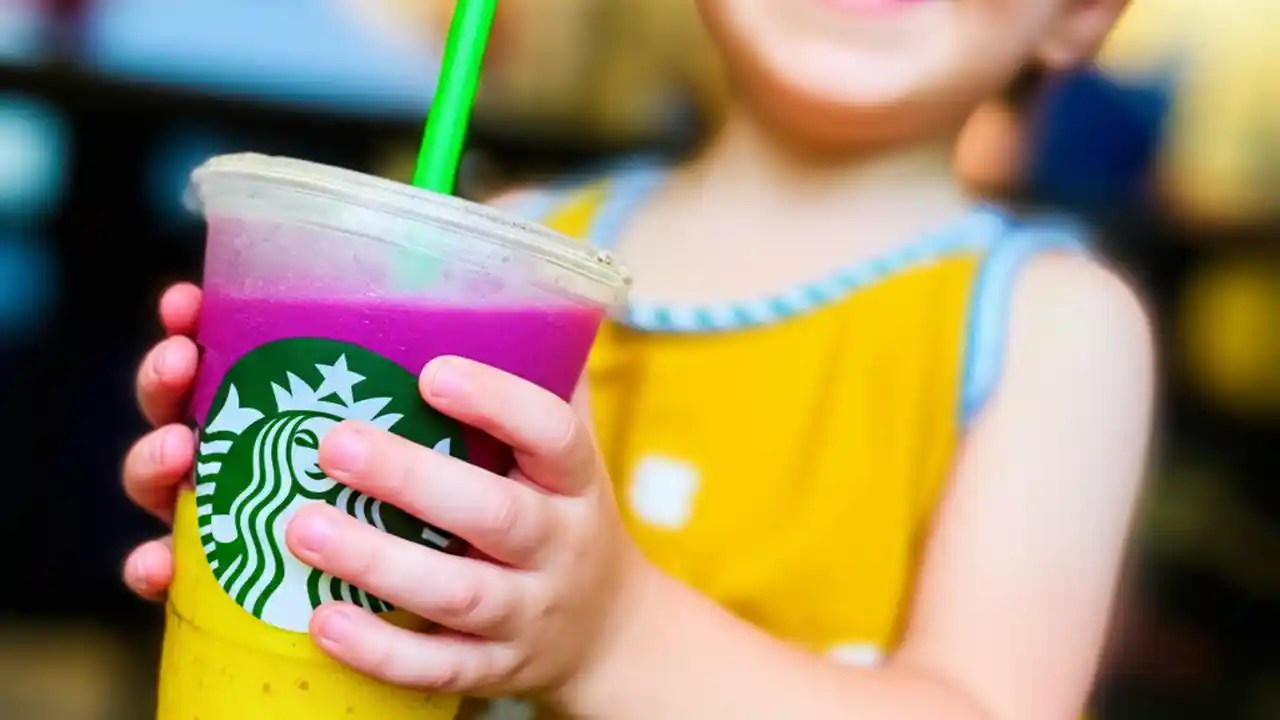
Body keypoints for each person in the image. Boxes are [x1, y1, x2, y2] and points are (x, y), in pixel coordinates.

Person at [121, 1, 1155, 717]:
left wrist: (614, 636)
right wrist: (280, 515)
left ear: (1082, 12)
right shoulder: (506, 246)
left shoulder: (1053, 325)